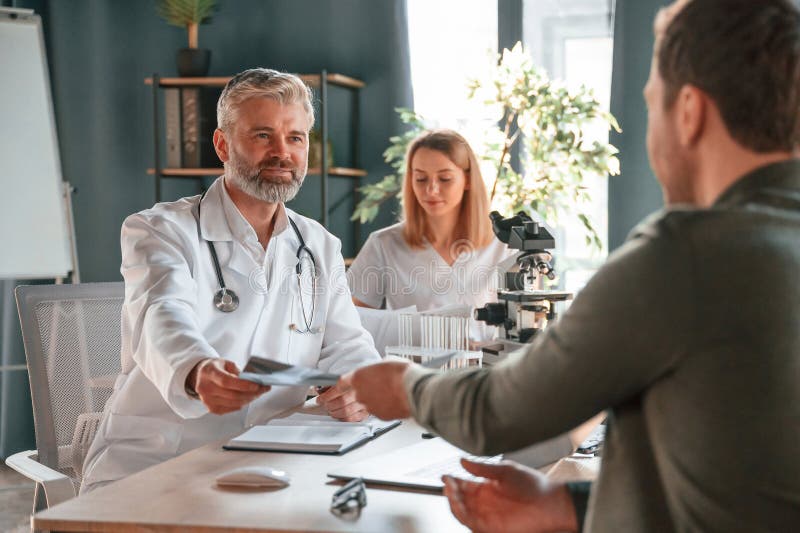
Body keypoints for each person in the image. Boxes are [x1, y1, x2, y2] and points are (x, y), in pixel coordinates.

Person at [348, 0, 800, 531]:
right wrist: (571, 506)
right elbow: (744, 473)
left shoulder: (684, 254)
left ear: (689, 113)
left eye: (650, 105)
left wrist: (406, 387)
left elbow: (498, 412)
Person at [80, 69, 379, 493]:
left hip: (275, 458)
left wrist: (357, 385)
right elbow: (161, 314)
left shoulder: (318, 246)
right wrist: (197, 369)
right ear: (222, 144)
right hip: (159, 463)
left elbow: (349, 345)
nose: (282, 152)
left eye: (295, 137)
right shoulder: (160, 230)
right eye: (262, 135)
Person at [347, 129, 514, 341]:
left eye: (444, 179)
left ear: (468, 180)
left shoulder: (505, 245)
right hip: (413, 371)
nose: (431, 190)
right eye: (421, 179)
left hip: (486, 371)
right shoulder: (384, 244)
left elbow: (530, 321)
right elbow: (349, 324)